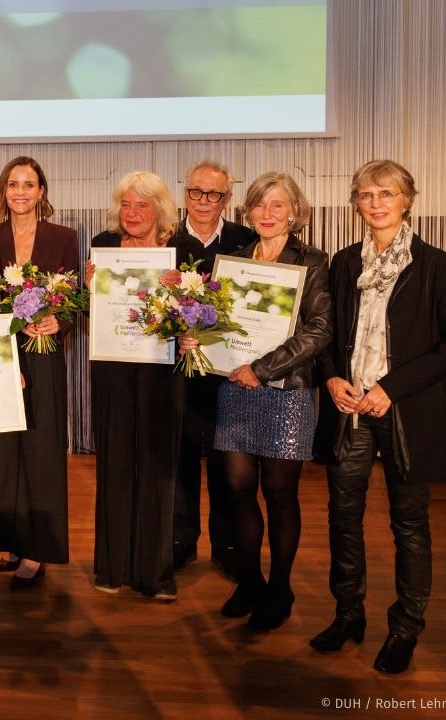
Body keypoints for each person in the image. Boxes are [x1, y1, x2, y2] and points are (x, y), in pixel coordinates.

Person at [310, 160, 446, 674]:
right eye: (365, 195)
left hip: (405, 412)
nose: (375, 203)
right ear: (355, 203)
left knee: (409, 524)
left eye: (387, 193)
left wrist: (390, 388)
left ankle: (405, 629)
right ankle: (348, 614)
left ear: (408, 199)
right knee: (343, 516)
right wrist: (332, 377)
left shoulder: (436, 266)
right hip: (349, 409)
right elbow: (326, 335)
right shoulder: (342, 263)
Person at [204, 172, 331, 631]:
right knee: (237, 486)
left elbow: (319, 331)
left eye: (278, 206)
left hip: (287, 392)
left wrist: (262, 369)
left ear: (294, 212)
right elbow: (215, 323)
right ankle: (250, 580)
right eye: (259, 205)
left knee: (279, 492)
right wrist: (197, 339)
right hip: (236, 388)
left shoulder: (313, 261)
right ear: (248, 211)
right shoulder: (233, 260)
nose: (267, 214)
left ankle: (280, 586)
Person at [86, 171, 202, 601]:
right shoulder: (104, 245)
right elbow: (91, 310)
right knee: (114, 462)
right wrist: (89, 284)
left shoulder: (182, 250)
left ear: (160, 209)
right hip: (113, 367)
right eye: (127, 205)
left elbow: (198, 313)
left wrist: (184, 296)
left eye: (142, 205)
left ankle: (156, 572)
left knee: (158, 466)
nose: (133, 214)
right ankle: (111, 566)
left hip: (161, 370)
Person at [0, 157, 78, 590]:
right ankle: (14, 543)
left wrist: (60, 322)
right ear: (4, 191)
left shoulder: (64, 237)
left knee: (41, 451)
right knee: (4, 453)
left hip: (43, 353)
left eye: (29, 184)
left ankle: (39, 550)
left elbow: (74, 300)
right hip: (1, 352)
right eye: (13, 184)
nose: (20, 192)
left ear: (42, 191)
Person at [171, 161, 256, 574]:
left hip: (231, 375)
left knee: (228, 466)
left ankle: (228, 548)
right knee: (180, 462)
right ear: (184, 193)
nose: (204, 201)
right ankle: (181, 543)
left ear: (229, 198)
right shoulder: (164, 239)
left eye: (215, 194)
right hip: (177, 371)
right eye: (196, 192)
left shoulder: (248, 241)